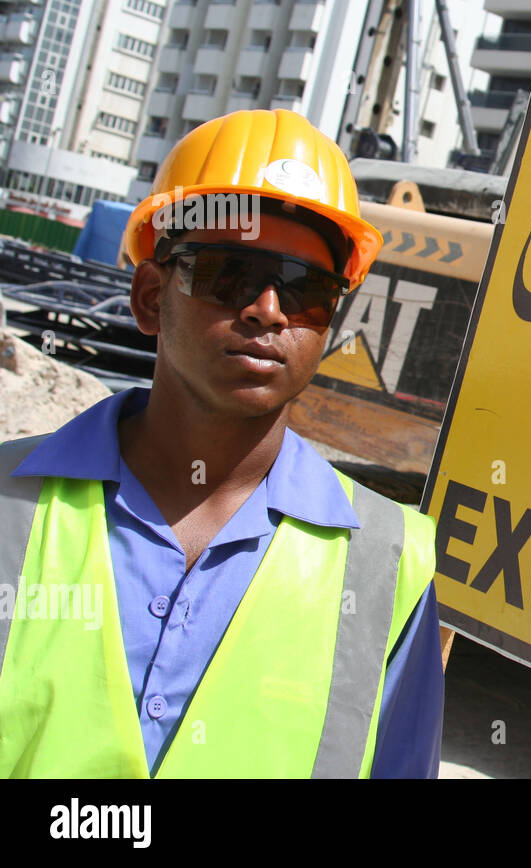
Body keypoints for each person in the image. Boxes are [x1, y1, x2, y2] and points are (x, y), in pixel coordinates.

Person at [0, 109, 443, 777]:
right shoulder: (9, 505)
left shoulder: (387, 563)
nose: (268, 309)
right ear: (150, 297)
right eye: (231, 274)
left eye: (307, 291)